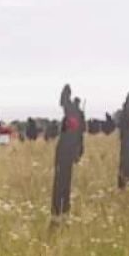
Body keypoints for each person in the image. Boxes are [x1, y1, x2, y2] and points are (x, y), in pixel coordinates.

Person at [51, 84, 82, 217]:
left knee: (62, 181)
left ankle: (60, 208)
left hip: (66, 150)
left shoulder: (72, 112)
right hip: (66, 150)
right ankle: (61, 208)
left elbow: (75, 133)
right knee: (64, 179)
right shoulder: (73, 112)